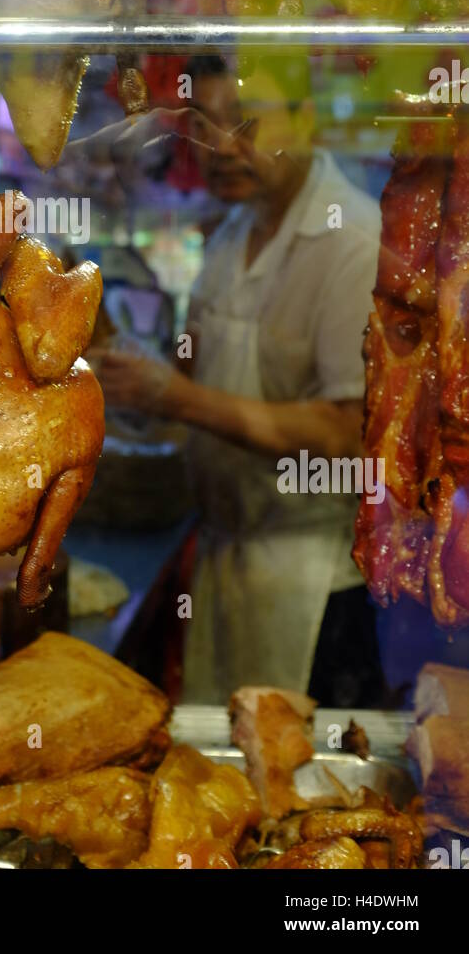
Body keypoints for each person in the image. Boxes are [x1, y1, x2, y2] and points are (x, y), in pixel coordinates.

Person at [94, 53, 383, 703]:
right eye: (205, 125)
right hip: (224, 567)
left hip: (313, 585)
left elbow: (349, 436)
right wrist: (125, 372)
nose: (221, 148)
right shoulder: (230, 233)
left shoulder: (352, 240)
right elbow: (187, 387)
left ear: (306, 122)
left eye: (246, 124)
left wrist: (178, 396)